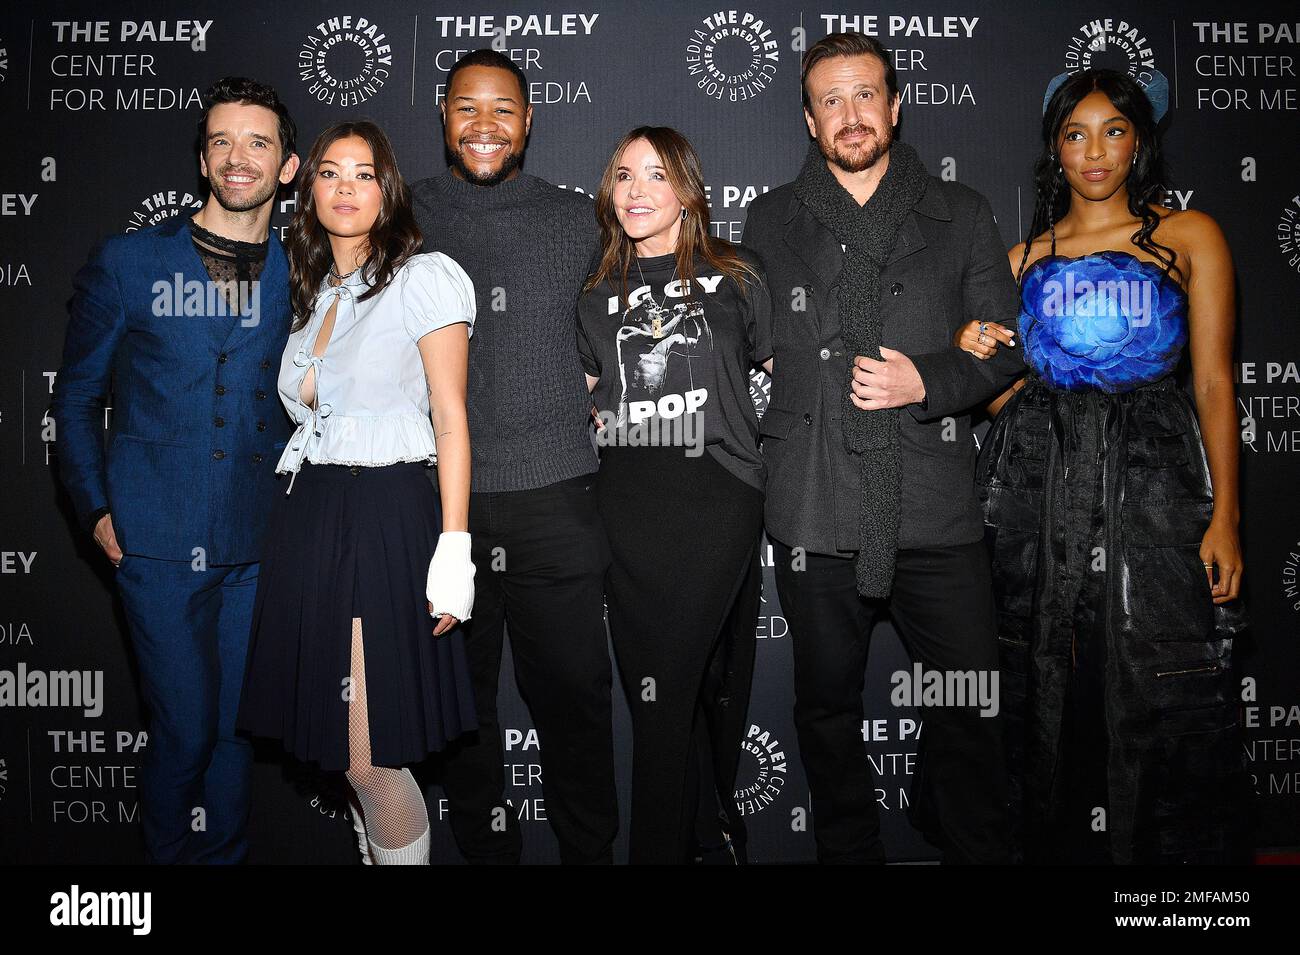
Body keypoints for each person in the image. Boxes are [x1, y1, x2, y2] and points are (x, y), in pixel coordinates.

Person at [741, 33, 1024, 864]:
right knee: (826, 710)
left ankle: (974, 845)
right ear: (809, 118)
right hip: (815, 499)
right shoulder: (769, 218)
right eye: (830, 99)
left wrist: (925, 377)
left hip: (934, 501)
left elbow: (1006, 348)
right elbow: (747, 337)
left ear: (896, 106)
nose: (851, 114)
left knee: (969, 704)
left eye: (865, 94)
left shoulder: (961, 211)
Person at [960, 68, 1249, 864]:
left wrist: (1226, 516)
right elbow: (1001, 399)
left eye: (1113, 131)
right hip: (1038, 486)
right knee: (1039, 681)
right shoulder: (1021, 257)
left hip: (1156, 486)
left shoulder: (1191, 236)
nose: (1094, 151)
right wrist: (973, 351)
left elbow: (1214, 381)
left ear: (1139, 141)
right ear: (1055, 148)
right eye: (1076, 134)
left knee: (1162, 682)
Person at [51, 77, 299, 864]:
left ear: (288, 166)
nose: (238, 157)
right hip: (154, 540)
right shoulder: (130, 262)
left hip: (259, 543)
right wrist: (95, 509)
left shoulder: (304, 269)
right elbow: (77, 398)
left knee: (234, 732)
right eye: (221, 140)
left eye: (258, 142)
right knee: (185, 729)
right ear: (201, 158)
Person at [235, 121, 479, 866]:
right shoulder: (312, 295)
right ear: (308, 187)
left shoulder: (422, 276)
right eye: (331, 172)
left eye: (364, 173)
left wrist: (455, 547)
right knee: (339, 750)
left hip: (385, 516)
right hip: (309, 517)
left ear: (386, 189)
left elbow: (450, 417)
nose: (346, 187)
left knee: (367, 756)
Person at [410, 49, 617, 864]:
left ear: (529, 121)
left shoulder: (579, 219)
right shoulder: (403, 214)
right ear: (443, 116)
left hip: (556, 497)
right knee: (458, 708)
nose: (485, 125)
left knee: (575, 704)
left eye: (503, 109)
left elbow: (630, 331)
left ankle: (588, 853)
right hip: (440, 506)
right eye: (467, 107)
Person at [577, 127, 772, 864]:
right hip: (627, 501)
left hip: (718, 494)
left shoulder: (739, 273)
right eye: (624, 175)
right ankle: (708, 834)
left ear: (688, 191)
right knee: (667, 694)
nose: (636, 190)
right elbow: (581, 395)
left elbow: (787, 375)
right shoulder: (595, 292)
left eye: (656, 175)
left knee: (678, 689)